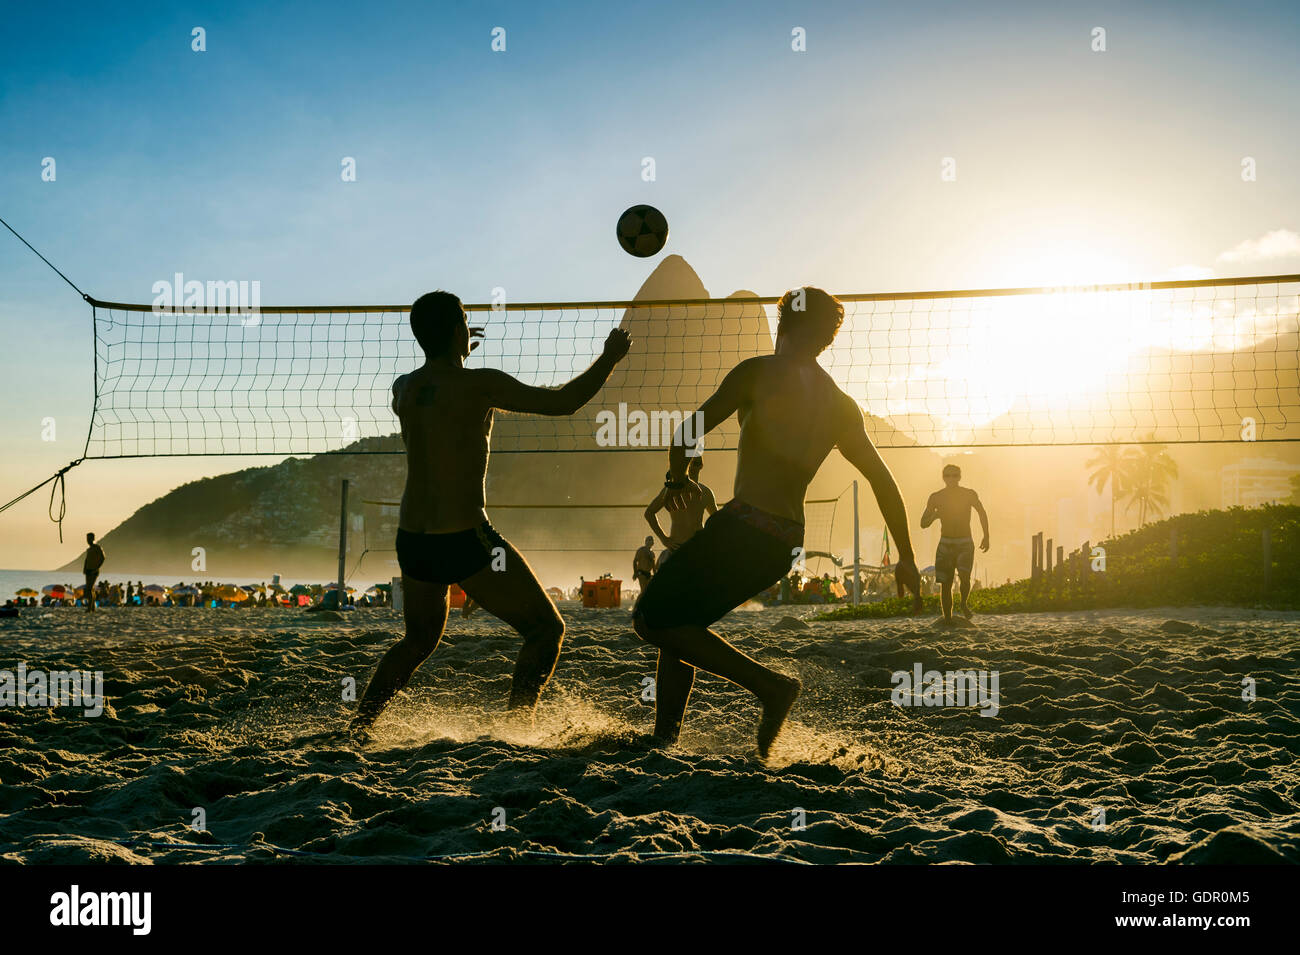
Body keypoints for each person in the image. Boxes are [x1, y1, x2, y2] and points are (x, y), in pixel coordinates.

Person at [633, 287, 922, 759]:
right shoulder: (840, 404)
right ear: (827, 337)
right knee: (681, 620)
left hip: (746, 526)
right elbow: (883, 481)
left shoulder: (758, 372)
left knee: (649, 617)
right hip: (786, 540)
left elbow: (687, 433)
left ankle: (770, 687)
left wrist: (677, 479)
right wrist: (907, 556)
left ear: (782, 322)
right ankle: (664, 739)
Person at [352, 291, 631, 733]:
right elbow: (564, 402)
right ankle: (518, 728)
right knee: (546, 631)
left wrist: (454, 352)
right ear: (457, 331)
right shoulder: (480, 384)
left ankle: (358, 727)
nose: (470, 326)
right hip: (463, 536)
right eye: (465, 320)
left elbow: (442, 408)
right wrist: (610, 358)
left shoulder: (403, 387)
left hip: (413, 537)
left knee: (418, 640)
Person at [919, 464, 990, 621]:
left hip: (965, 542)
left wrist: (986, 535)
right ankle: (948, 617)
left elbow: (981, 512)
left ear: (959, 477)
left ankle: (964, 603)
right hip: (945, 543)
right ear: (943, 477)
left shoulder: (968, 494)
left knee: (965, 577)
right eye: (948, 475)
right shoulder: (936, 497)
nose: (951, 479)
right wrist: (935, 516)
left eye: (955, 475)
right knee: (945, 583)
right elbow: (923, 523)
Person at [645, 454, 717, 569]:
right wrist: (664, 539)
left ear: (701, 466)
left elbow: (716, 520)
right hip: (677, 548)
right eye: (691, 463)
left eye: (697, 463)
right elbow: (649, 513)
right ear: (686, 465)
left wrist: (709, 542)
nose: (693, 467)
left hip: (698, 549)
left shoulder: (706, 492)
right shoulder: (672, 490)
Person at [82, 532, 105, 613]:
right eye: (87, 539)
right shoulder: (89, 549)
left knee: (89, 589)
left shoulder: (97, 547)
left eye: (89, 538)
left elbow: (103, 558)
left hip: (93, 570)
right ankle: (92, 607)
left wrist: (97, 567)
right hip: (88, 570)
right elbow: (87, 559)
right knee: (90, 589)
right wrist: (84, 568)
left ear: (93, 538)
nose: (88, 540)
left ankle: (90, 607)